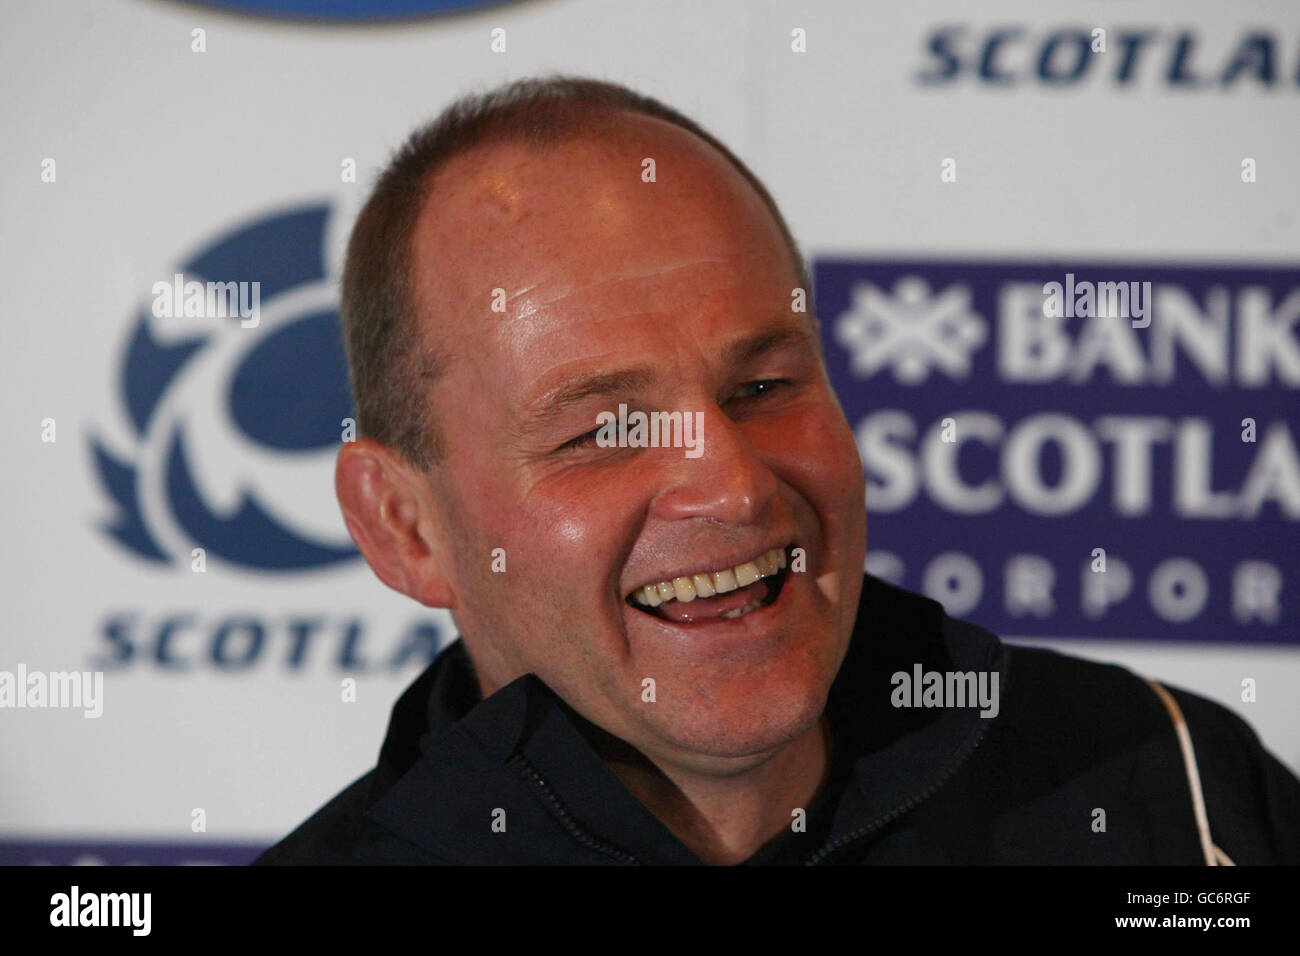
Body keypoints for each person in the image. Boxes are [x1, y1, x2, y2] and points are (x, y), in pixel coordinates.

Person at [256, 75, 1300, 865]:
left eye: (763, 388)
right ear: (404, 525)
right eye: (604, 430)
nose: (735, 484)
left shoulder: (1171, 790)